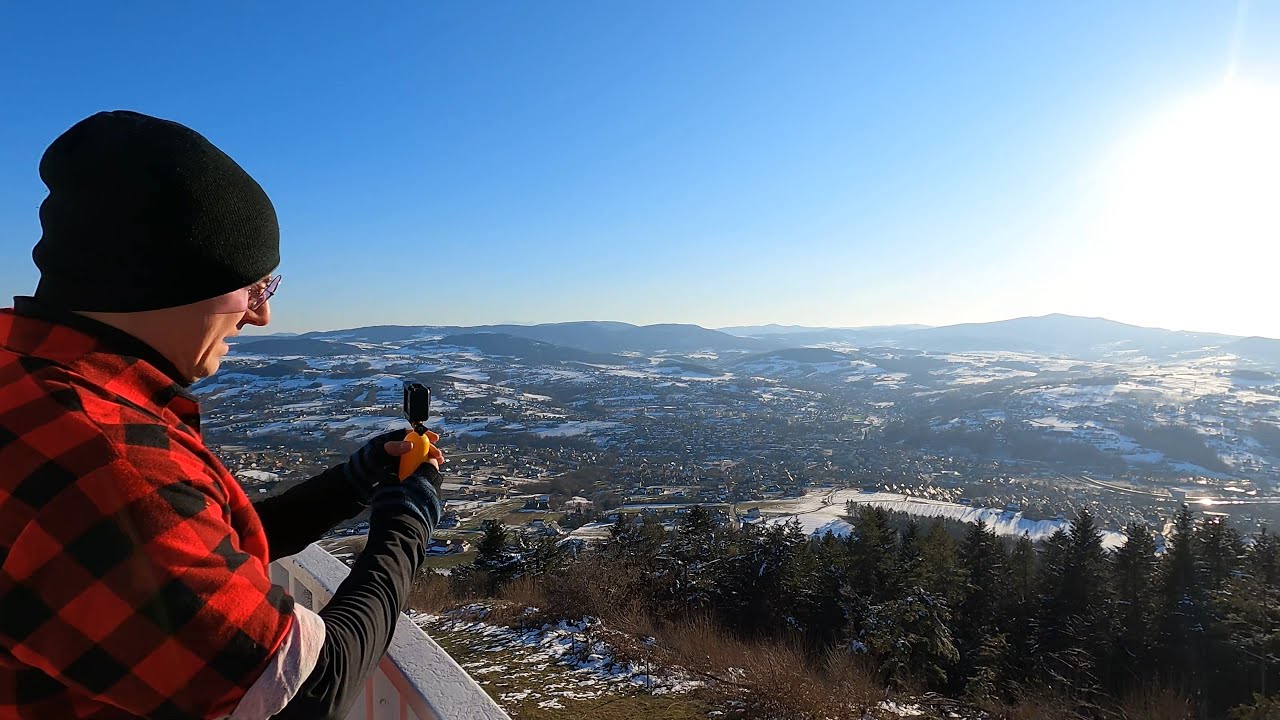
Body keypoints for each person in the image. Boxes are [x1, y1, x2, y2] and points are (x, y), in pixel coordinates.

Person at [0, 111, 444, 719]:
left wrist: (355, 482)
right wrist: (406, 524)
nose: (260, 316)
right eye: (255, 287)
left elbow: (183, 557)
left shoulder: (28, 381)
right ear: (173, 277)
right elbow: (309, 690)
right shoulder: (103, 457)